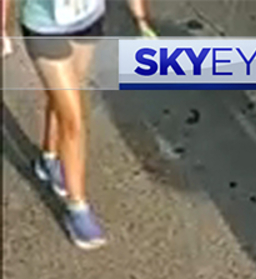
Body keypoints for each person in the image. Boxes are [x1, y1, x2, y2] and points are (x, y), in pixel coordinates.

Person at [9, 0, 154, 249]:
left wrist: (140, 19)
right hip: (45, 27)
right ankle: (78, 209)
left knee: (68, 96)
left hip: (89, 20)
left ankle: (48, 159)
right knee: (73, 120)